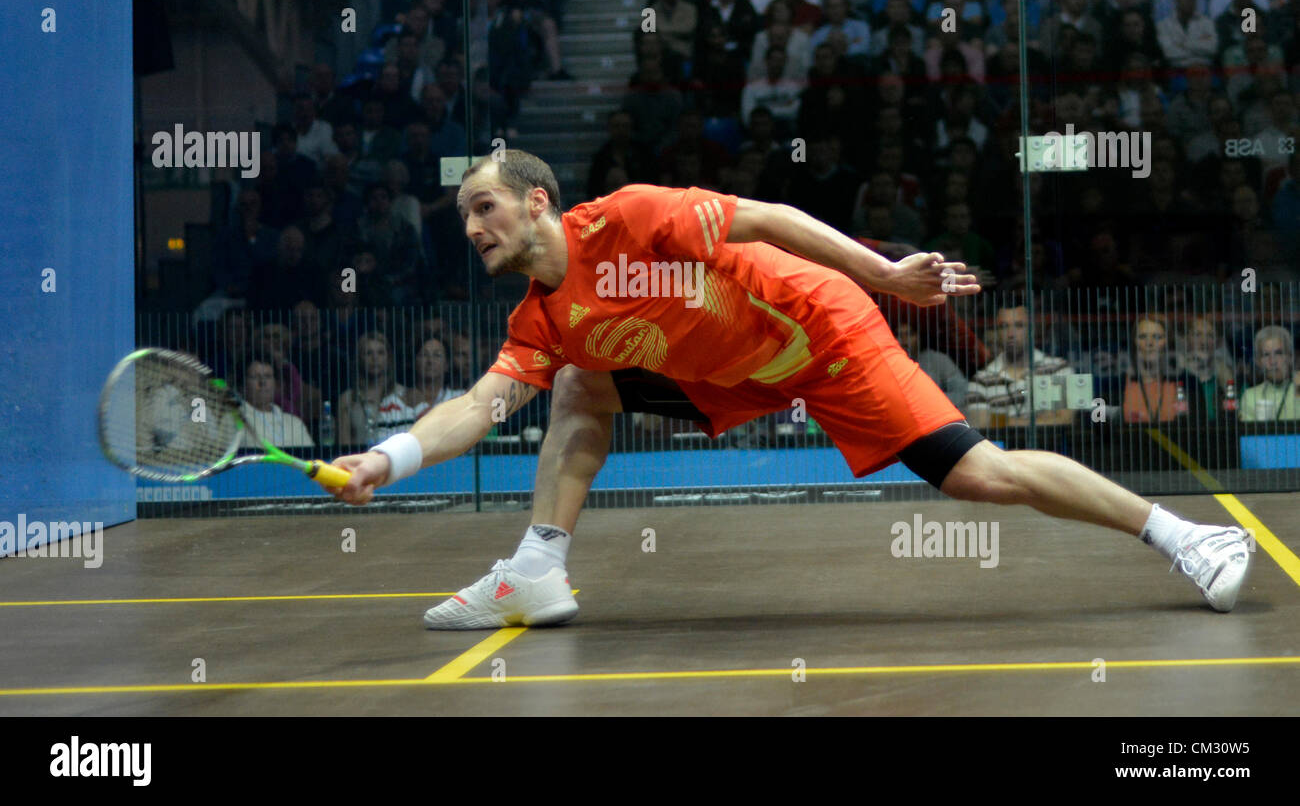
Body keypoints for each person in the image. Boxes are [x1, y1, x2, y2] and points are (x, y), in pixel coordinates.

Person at [328, 151, 1252, 627]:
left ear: (537, 202)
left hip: (824, 332)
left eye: (482, 206)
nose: (470, 226)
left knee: (976, 477)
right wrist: (388, 455)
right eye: (461, 216)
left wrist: (885, 275)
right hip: (723, 373)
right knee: (573, 386)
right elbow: (485, 404)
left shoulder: (632, 219)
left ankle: (1185, 536)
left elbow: (768, 217)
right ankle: (535, 571)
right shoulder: (542, 314)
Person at [965, 305, 1073, 428]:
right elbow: (982, 425)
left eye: (1019, 325)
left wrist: (1002, 421)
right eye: (1004, 326)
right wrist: (1045, 419)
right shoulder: (980, 381)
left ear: (1032, 329)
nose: (1011, 334)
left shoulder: (1058, 369)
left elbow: (1065, 420)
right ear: (997, 331)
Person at [337, 333, 421, 448]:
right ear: (359, 359)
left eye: (381, 353)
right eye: (368, 353)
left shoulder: (406, 395)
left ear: (389, 358)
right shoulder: (347, 399)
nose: (375, 358)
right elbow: (343, 447)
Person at [240, 358, 314, 449]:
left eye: (268, 376)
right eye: (255, 377)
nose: (263, 382)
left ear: (275, 383)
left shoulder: (294, 422)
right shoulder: (232, 420)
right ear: (242, 385)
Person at [1240, 326, 1300, 421]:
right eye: (1266, 355)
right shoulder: (1250, 397)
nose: (1272, 361)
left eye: (1279, 353)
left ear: (1290, 357)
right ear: (1258, 362)